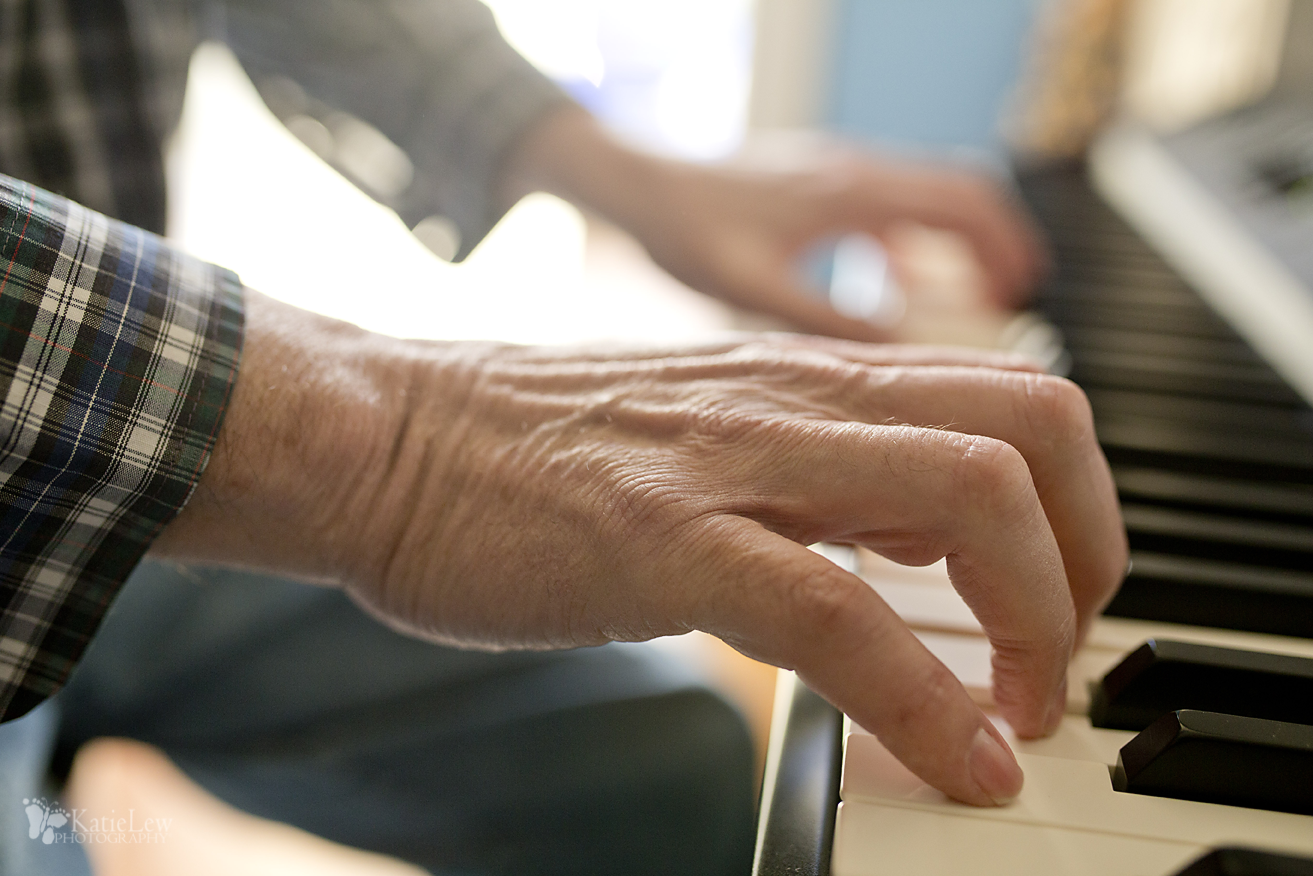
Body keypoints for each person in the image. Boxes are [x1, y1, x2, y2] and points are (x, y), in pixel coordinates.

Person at [0, 1, 1128, 874]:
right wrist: (396, 453)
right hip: (117, 419)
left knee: (669, 762)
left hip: (120, 449)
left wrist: (609, 167)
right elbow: (385, 456)